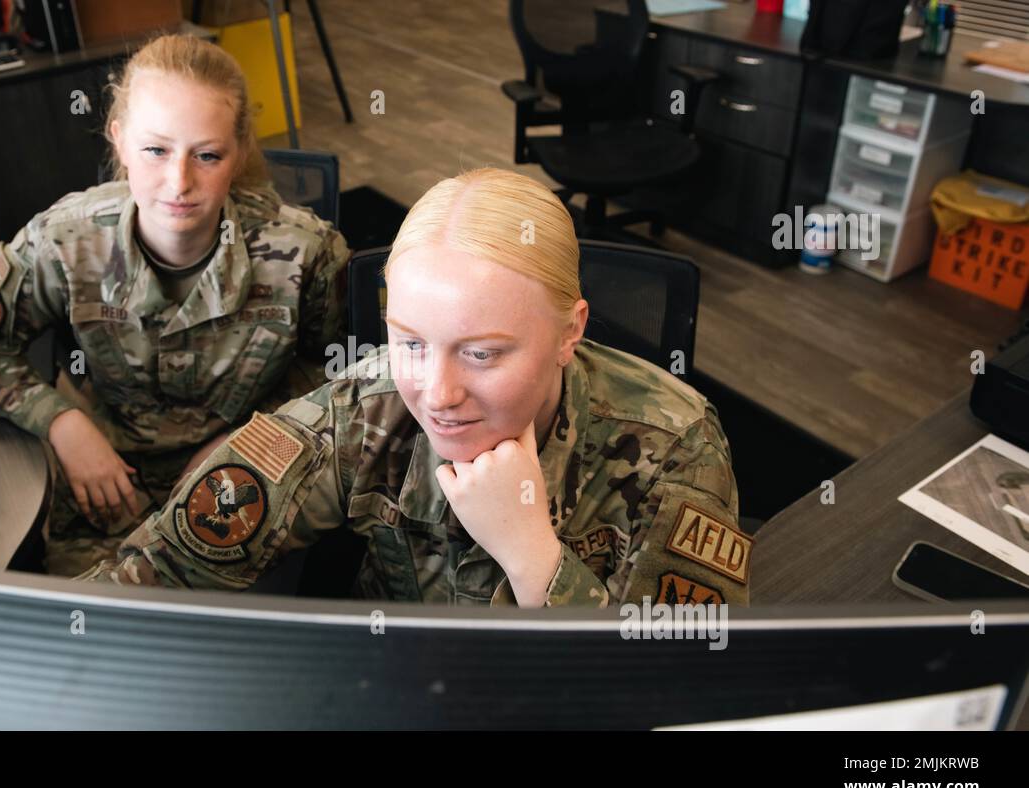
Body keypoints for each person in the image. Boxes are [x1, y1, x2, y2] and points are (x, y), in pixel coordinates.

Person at [80, 168, 750, 607]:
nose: (437, 393)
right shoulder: (369, 407)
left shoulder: (676, 442)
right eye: (411, 342)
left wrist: (533, 557)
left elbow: (687, 680)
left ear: (570, 331)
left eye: (482, 352)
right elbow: (166, 561)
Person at [0, 34, 349, 576]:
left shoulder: (306, 252)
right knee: (91, 628)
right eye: (156, 150)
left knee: (240, 644)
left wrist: (253, 436)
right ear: (119, 141)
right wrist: (62, 424)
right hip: (105, 481)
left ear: (239, 154)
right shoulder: (65, 239)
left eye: (207, 155)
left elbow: (346, 377)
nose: (178, 183)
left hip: (247, 473)